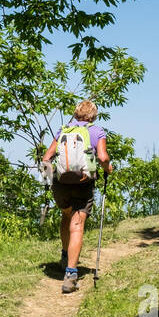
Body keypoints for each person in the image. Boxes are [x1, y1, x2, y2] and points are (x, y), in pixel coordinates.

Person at [40, 100, 113, 293]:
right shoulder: (97, 131)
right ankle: (71, 274)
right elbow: (104, 158)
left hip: (60, 183)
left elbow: (46, 158)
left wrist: (50, 178)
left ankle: (65, 256)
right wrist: (108, 168)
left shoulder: (63, 130)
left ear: (76, 113)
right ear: (93, 115)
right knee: (77, 224)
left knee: (66, 215)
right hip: (83, 184)